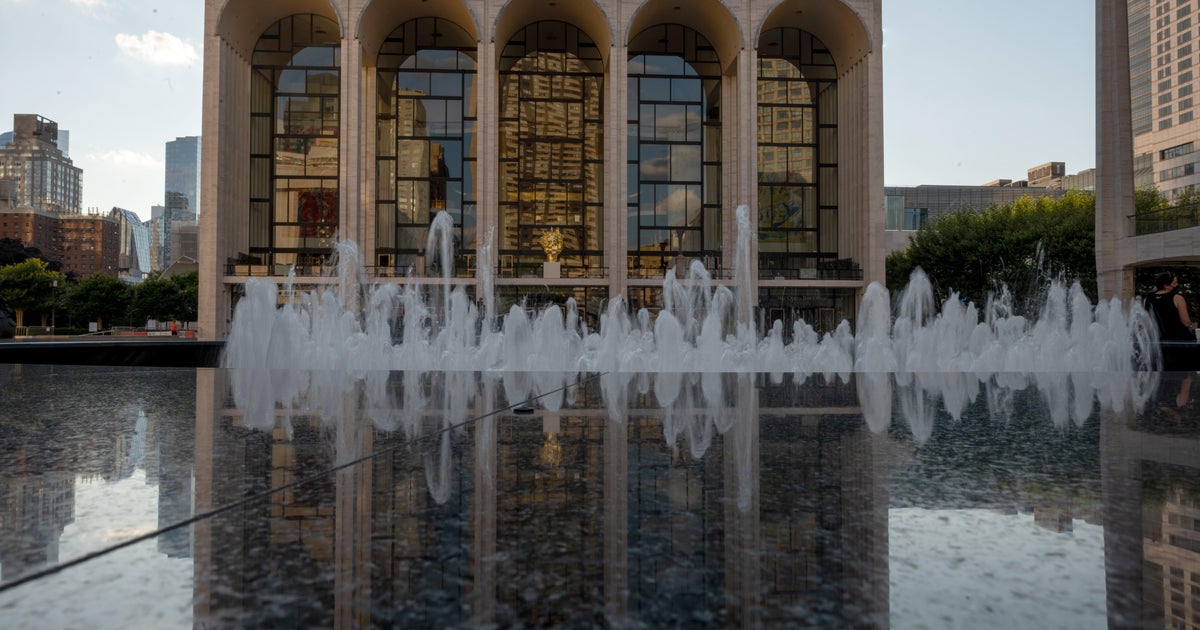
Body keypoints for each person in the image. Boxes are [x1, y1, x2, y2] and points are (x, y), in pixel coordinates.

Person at [1144, 271, 1195, 341]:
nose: (1176, 285)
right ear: (1166, 286)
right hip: (1178, 340)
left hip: (1157, 340)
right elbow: (1186, 322)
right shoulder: (1177, 298)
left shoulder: (1147, 299)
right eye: (1174, 283)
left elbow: (1146, 322)